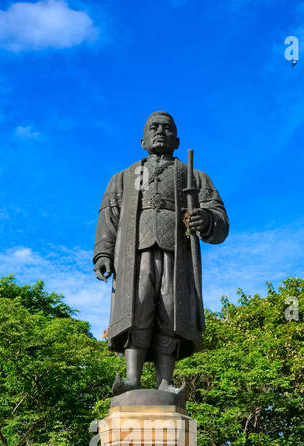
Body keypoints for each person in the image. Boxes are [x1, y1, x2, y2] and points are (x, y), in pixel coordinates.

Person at [94, 111, 229, 394]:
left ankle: (165, 381)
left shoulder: (194, 176)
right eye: (154, 128)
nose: (160, 132)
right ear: (143, 140)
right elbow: (110, 217)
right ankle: (132, 379)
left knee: (171, 309)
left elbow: (219, 218)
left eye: (167, 128)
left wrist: (206, 219)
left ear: (177, 140)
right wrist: (103, 254)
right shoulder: (123, 178)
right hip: (135, 255)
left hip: (176, 254)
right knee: (137, 306)